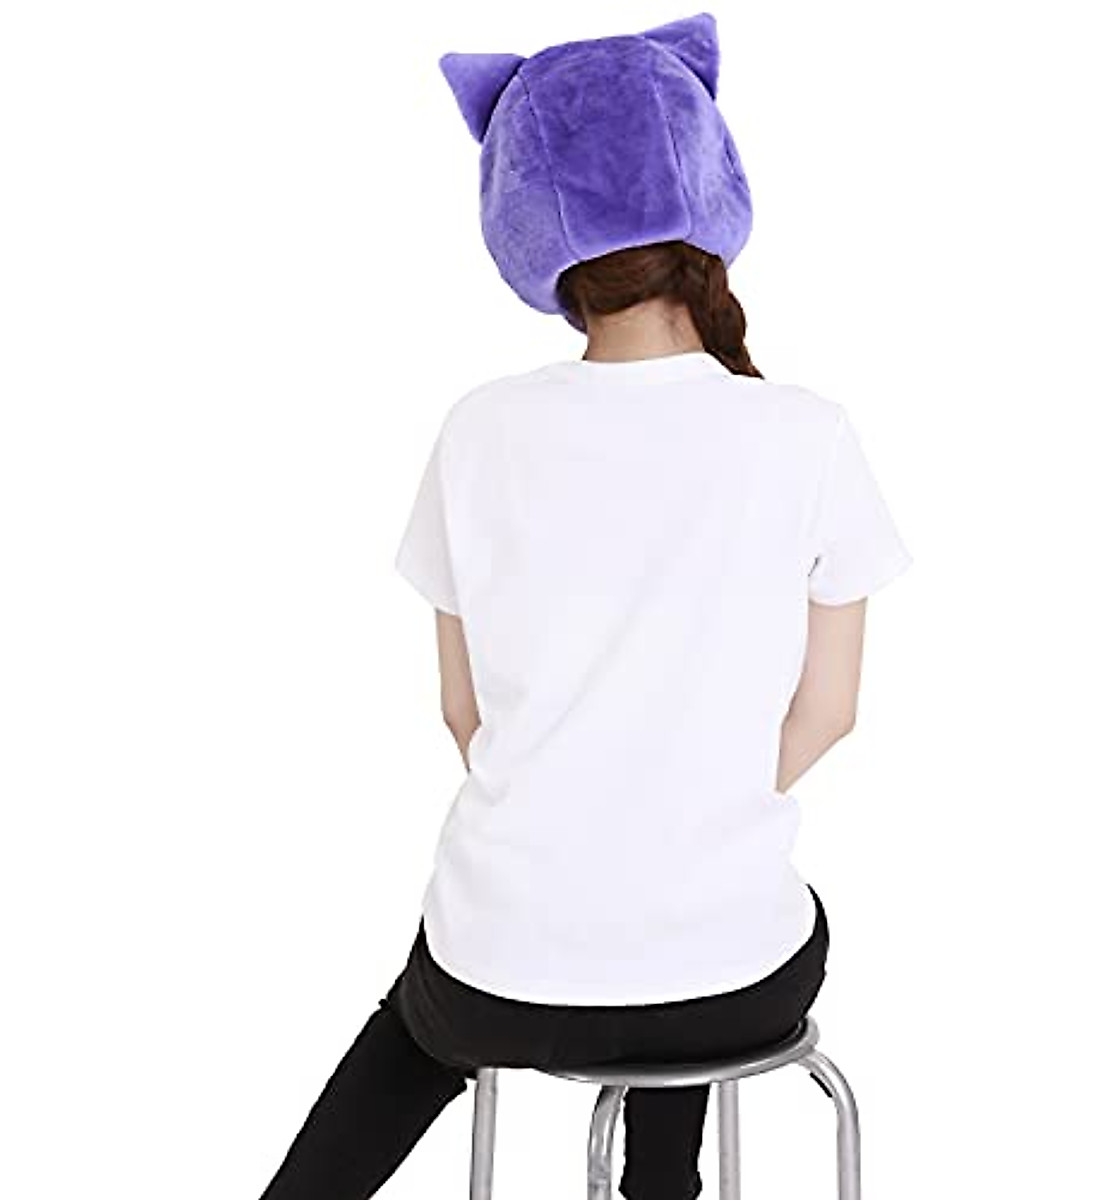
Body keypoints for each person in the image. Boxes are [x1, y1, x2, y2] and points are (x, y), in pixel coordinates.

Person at [257, 12, 912, 1200]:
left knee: (421, 1023)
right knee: (712, 936)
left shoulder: (479, 431)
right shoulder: (807, 433)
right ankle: (659, 1186)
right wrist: (687, 799)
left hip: (498, 981)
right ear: (708, 189)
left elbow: (464, 714)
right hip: (728, 984)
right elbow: (830, 713)